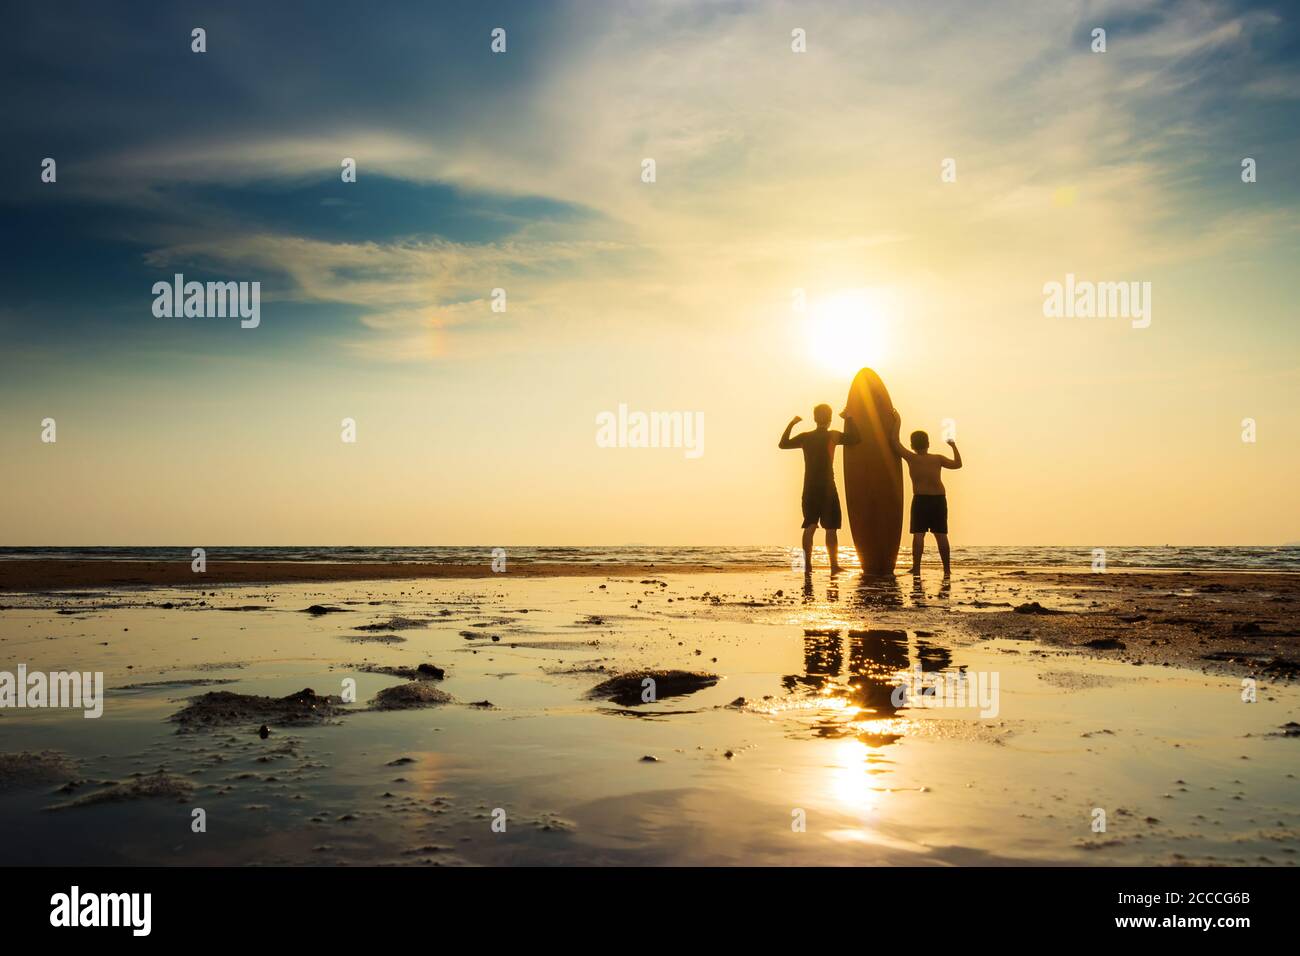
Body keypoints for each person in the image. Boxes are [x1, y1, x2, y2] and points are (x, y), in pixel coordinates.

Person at [780, 404, 860, 574]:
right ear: (830, 419)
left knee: (810, 525)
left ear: (815, 418)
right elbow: (856, 438)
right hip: (827, 488)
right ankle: (833, 565)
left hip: (809, 487)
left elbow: (783, 444)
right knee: (831, 528)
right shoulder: (833, 435)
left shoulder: (805, 437)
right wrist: (848, 418)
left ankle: (807, 566)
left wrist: (793, 423)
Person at [889, 409, 961, 576]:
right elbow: (958, 464)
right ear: (928, 443)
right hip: (939, 500)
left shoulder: (911, 457)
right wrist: (953, 445)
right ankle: (947, 570)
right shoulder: (938, 458)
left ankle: (917, 568)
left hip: (921, 500)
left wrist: (897, 420)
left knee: (918, 535)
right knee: (941, 535)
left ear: (912, 445)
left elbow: (893, 441)